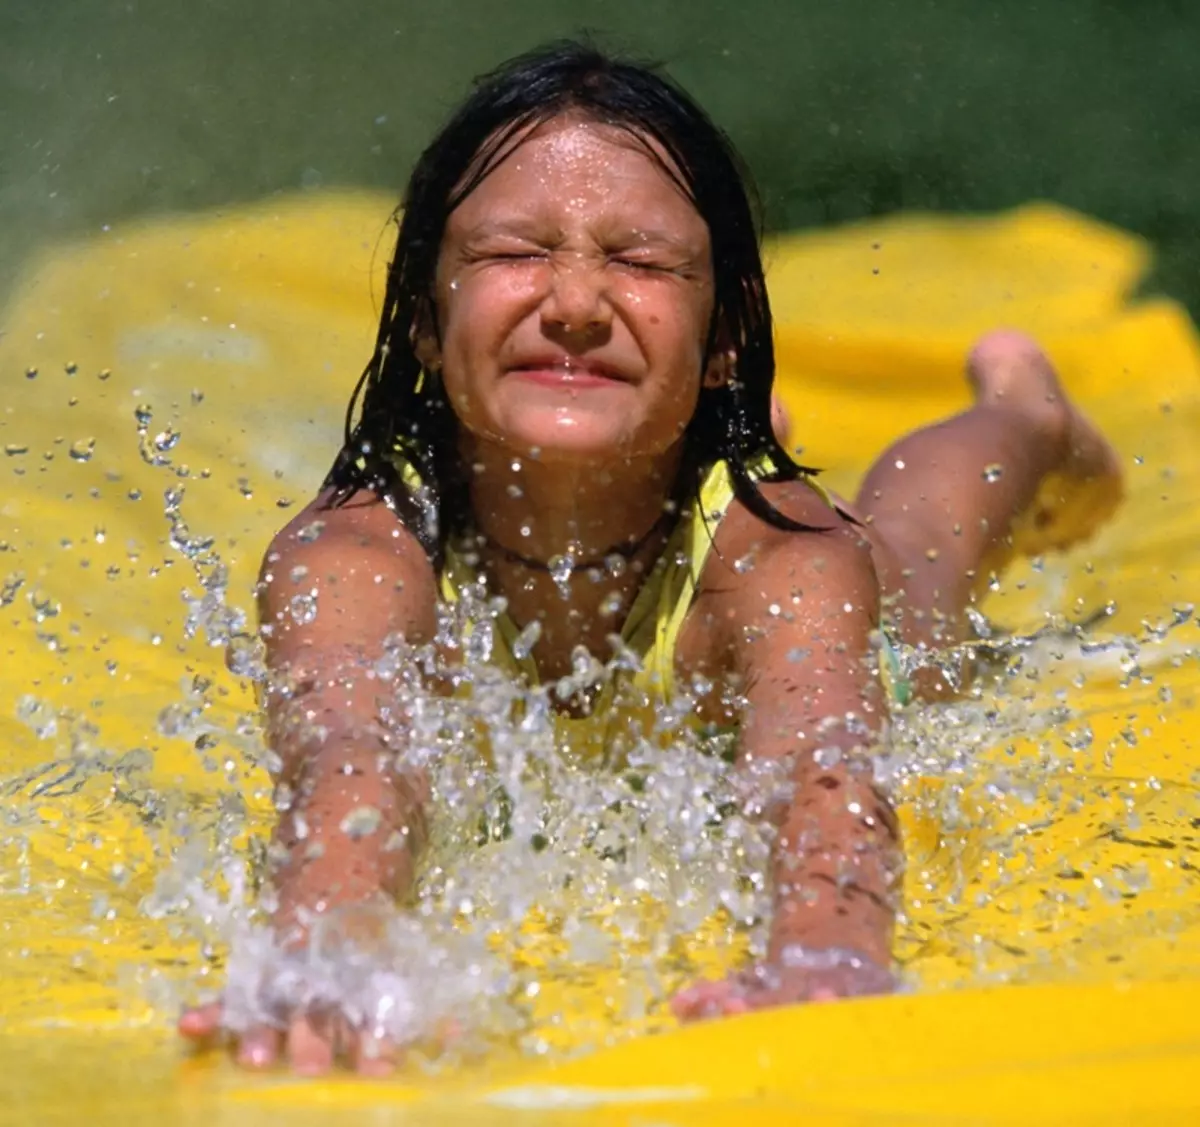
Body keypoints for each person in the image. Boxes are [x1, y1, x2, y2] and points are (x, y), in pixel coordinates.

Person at [179, 40, 1122, 1074]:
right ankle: (700, 425)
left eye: (638, 263)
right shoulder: (356, 549)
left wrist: (825, 945)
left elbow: (822, 770)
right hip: (680, 455)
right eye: (510, 255)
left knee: (915, 553)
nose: (576, 303)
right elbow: (351, 759)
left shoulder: (786, 563)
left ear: (725, 336)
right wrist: (332, 940)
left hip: (793, 565)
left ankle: (1023, 411)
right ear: (419, 318)